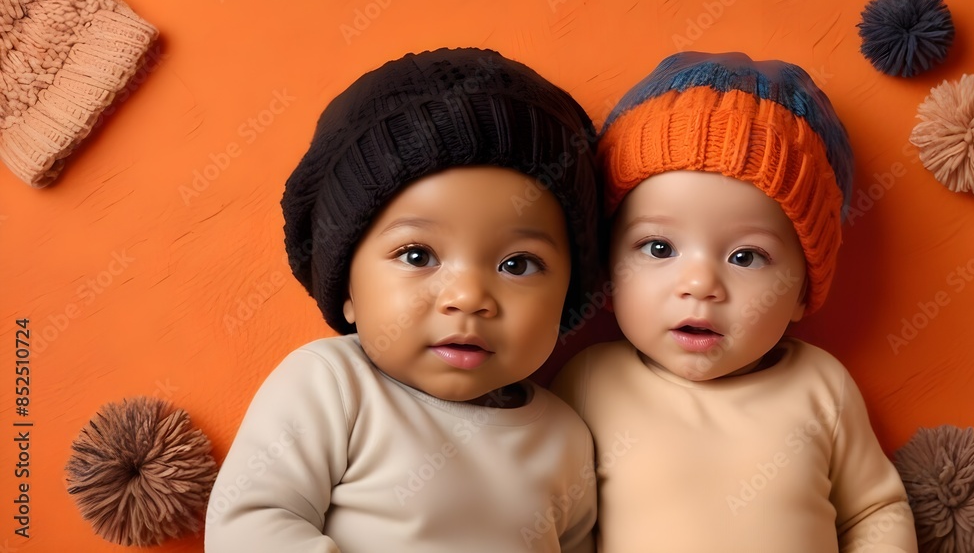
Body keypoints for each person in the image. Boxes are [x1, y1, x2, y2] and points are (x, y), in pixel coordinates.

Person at [205, 47, 602, 553]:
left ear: (569, 293)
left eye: (517, 264)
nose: (468, 297)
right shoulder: (334, 386)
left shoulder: (566, 438)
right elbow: (248, 521)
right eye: (417, 255)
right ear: (347, 290)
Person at [552, 51, 918, 552]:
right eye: (659, 248)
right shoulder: (590, 380)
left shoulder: (820, 385)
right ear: (609, 274)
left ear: (802, 291)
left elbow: (875, 510)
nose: (701, 284)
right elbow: (562, 522)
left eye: (747, 256)